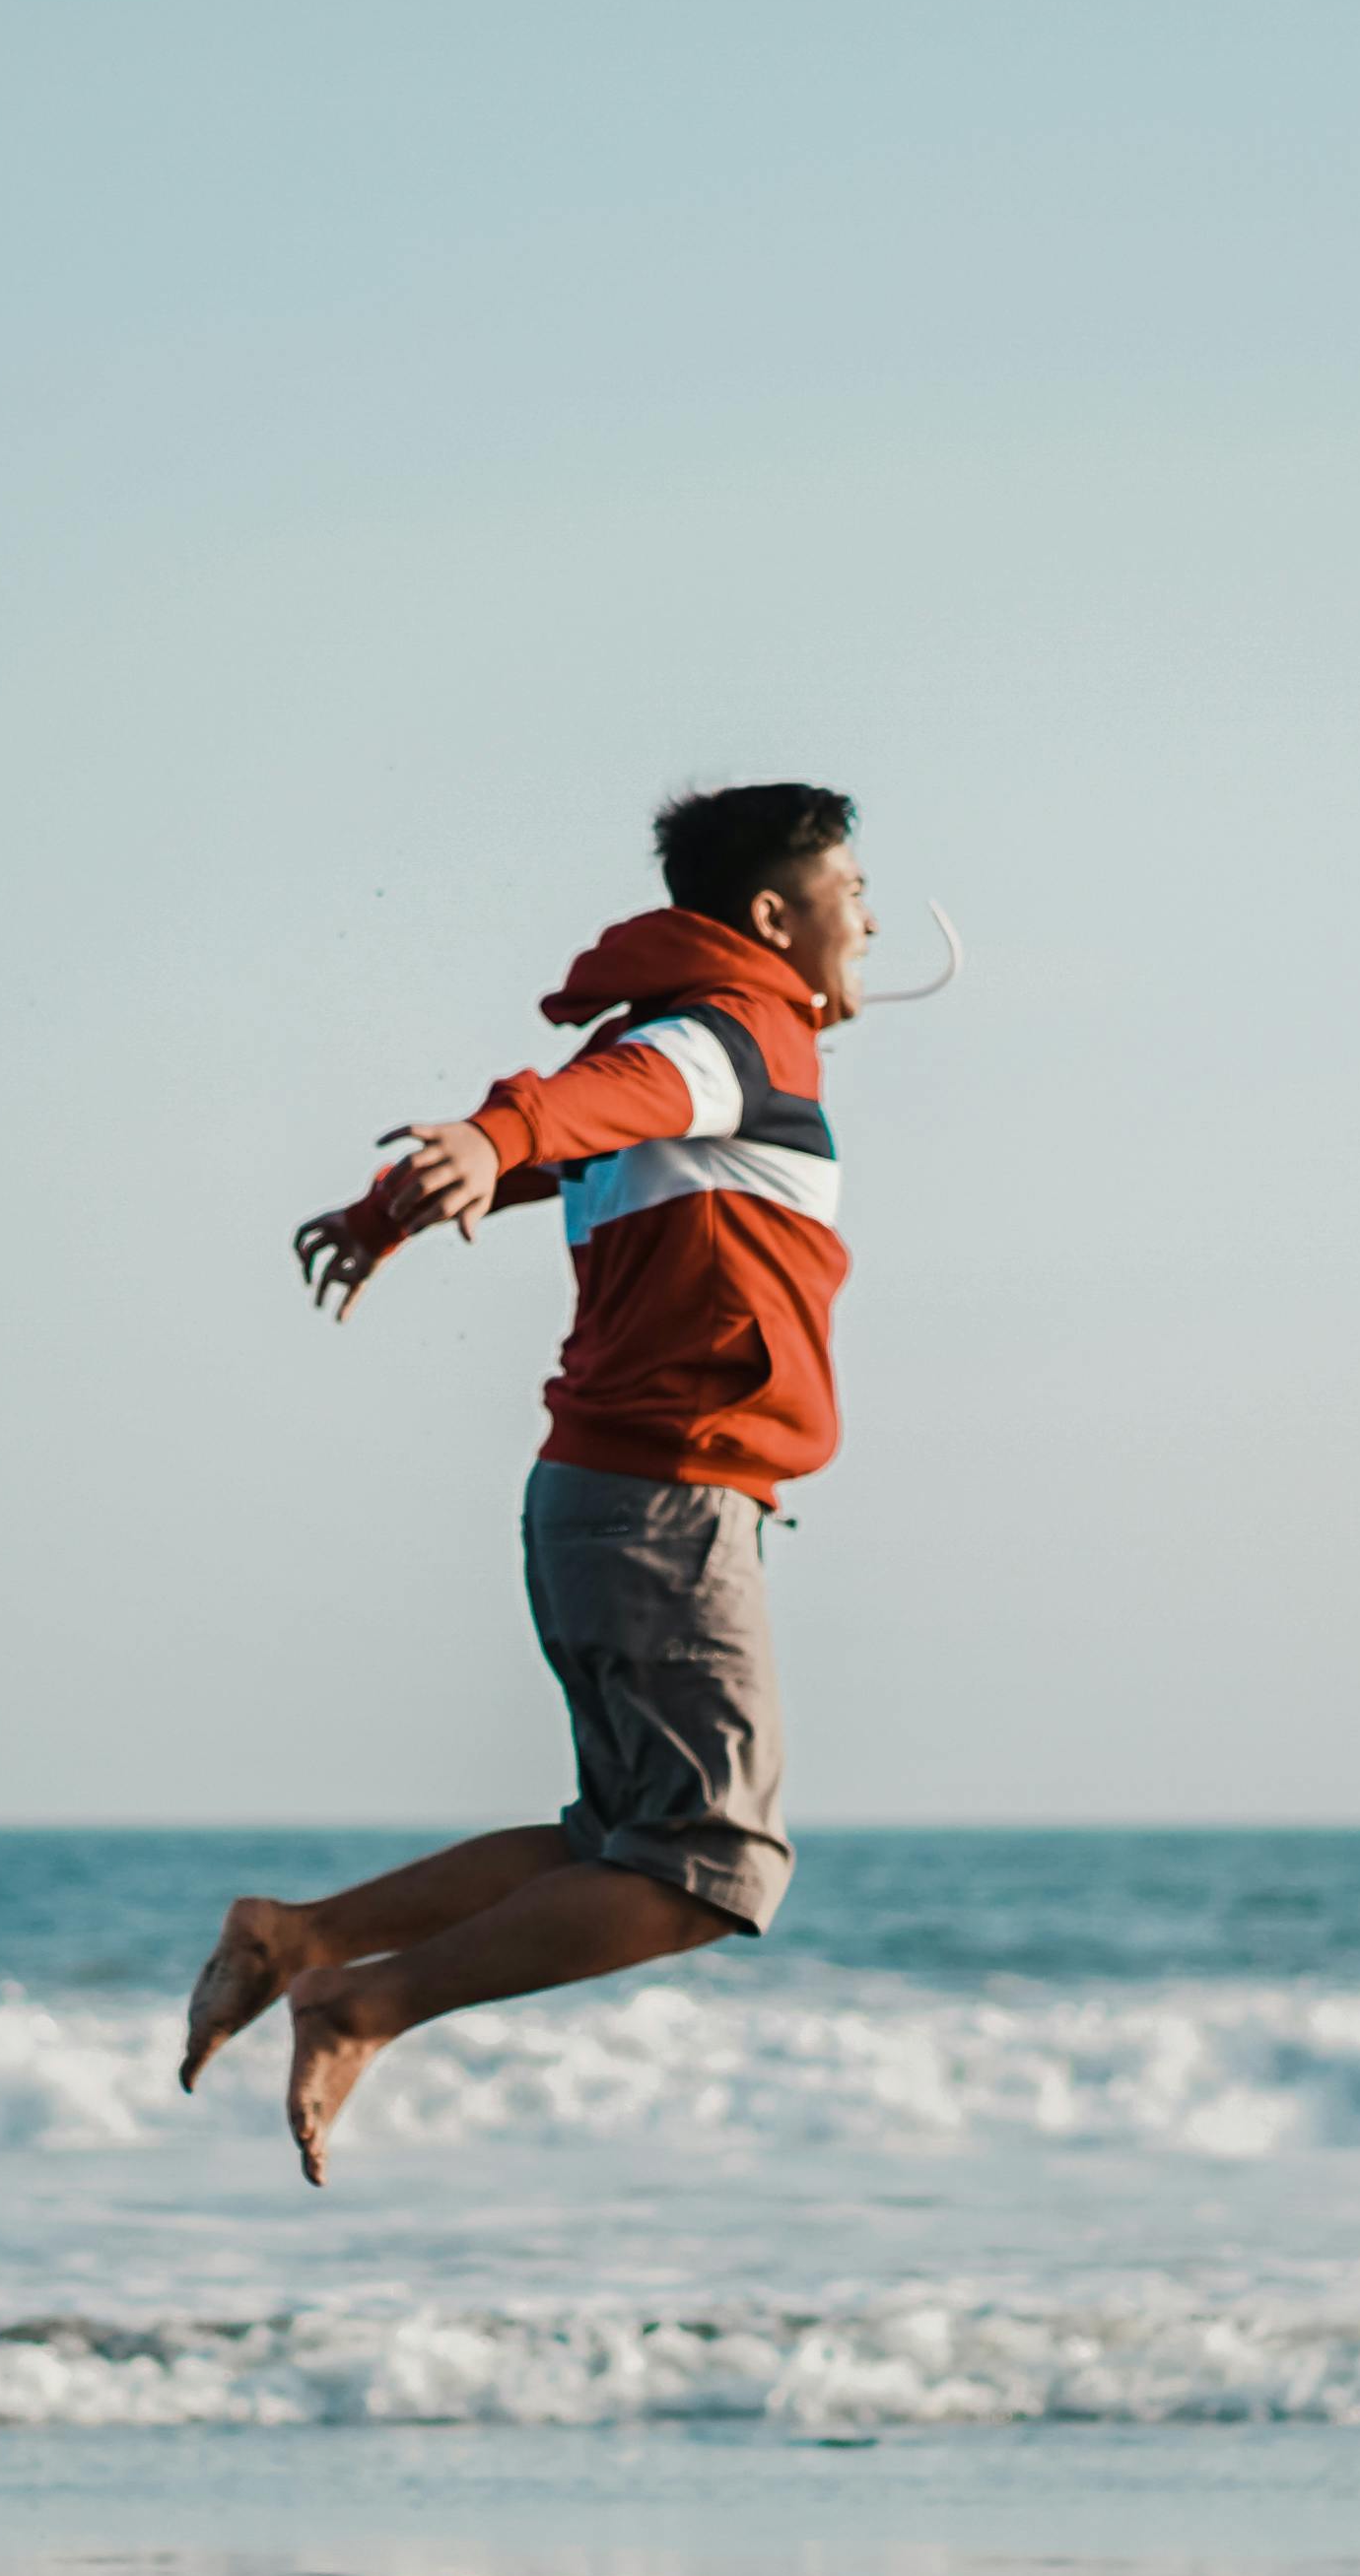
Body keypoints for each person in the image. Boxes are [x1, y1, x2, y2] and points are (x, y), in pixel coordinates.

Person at [183, 780, 880, 2184]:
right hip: (664, 1503)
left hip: (612, 1502)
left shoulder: (701, 1041)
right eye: (849, 887)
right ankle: (356, 1998)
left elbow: (598, 1122)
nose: (867, 912)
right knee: (712, 1869)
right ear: (770, 915)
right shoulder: (723, 1035)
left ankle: (300, 1934)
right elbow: (595, 1101)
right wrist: (496, 1137)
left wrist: (400, 1205)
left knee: (610, 1842)